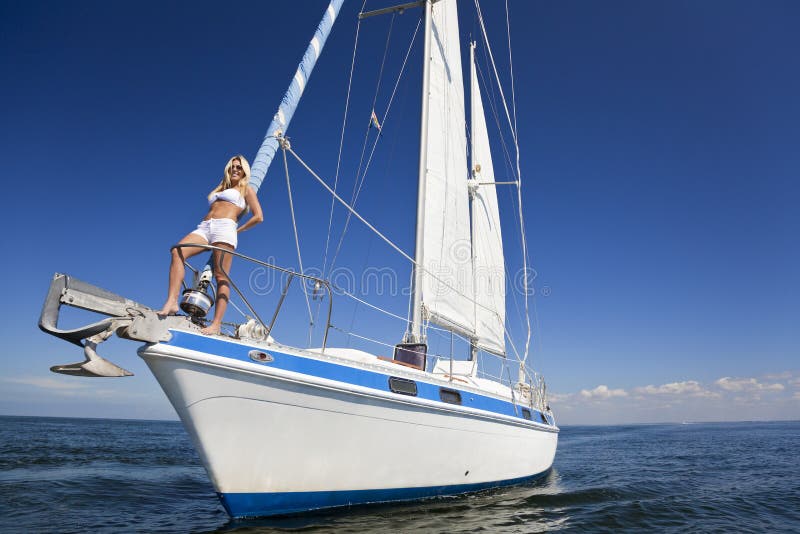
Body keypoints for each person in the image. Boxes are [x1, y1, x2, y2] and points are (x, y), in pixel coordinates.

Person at [157, 155, 263, 334]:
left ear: (245, 171)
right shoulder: (222, 187)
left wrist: (238, 230)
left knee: (221, 278)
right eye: (232, 167)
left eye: (239, 167)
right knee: (177, 251)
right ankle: (172, 302)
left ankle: (216, 324)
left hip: (225, 227)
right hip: (205, 227)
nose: (235, 170)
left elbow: (258, 216)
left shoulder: (247, 190)